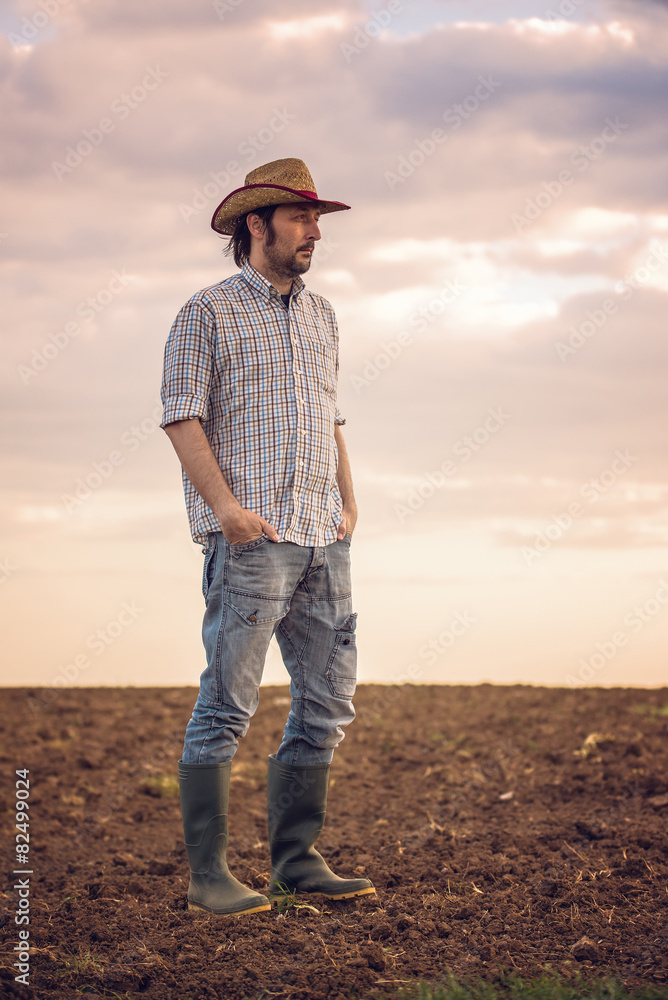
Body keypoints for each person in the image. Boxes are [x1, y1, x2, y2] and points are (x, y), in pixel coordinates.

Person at [160, 157, 375, 916]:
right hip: (252, 541)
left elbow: (331, 416)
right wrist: (226, 511)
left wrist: (350, 506)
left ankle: (297, 860)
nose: (315, 232)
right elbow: (181, 416)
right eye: (302, 219)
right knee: (227, 702)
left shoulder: (323, 316)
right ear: (259, 224)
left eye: (317, 220)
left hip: (326, 539)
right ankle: (209, 876)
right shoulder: (207, 312)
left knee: (327, 701)